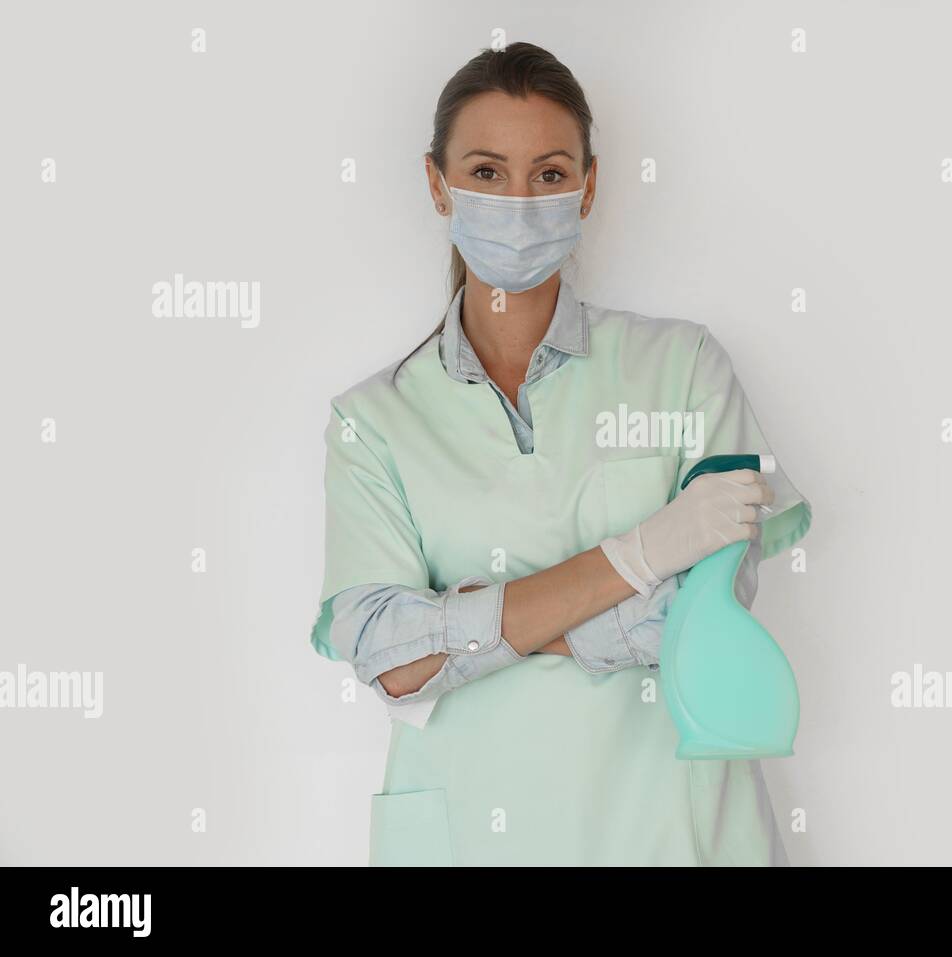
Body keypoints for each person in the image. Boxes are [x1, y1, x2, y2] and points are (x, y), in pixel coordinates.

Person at [309, 41, 812, 866]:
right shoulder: (374, 421)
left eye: (547, 174)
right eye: (485, 171)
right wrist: (646, 550)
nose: (519, 200)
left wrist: (462, 623)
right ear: (437, 185)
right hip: (468, 833)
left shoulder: (683, 368)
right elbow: (386, 657)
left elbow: (698, 624)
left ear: (587, 186)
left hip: (671, 832)